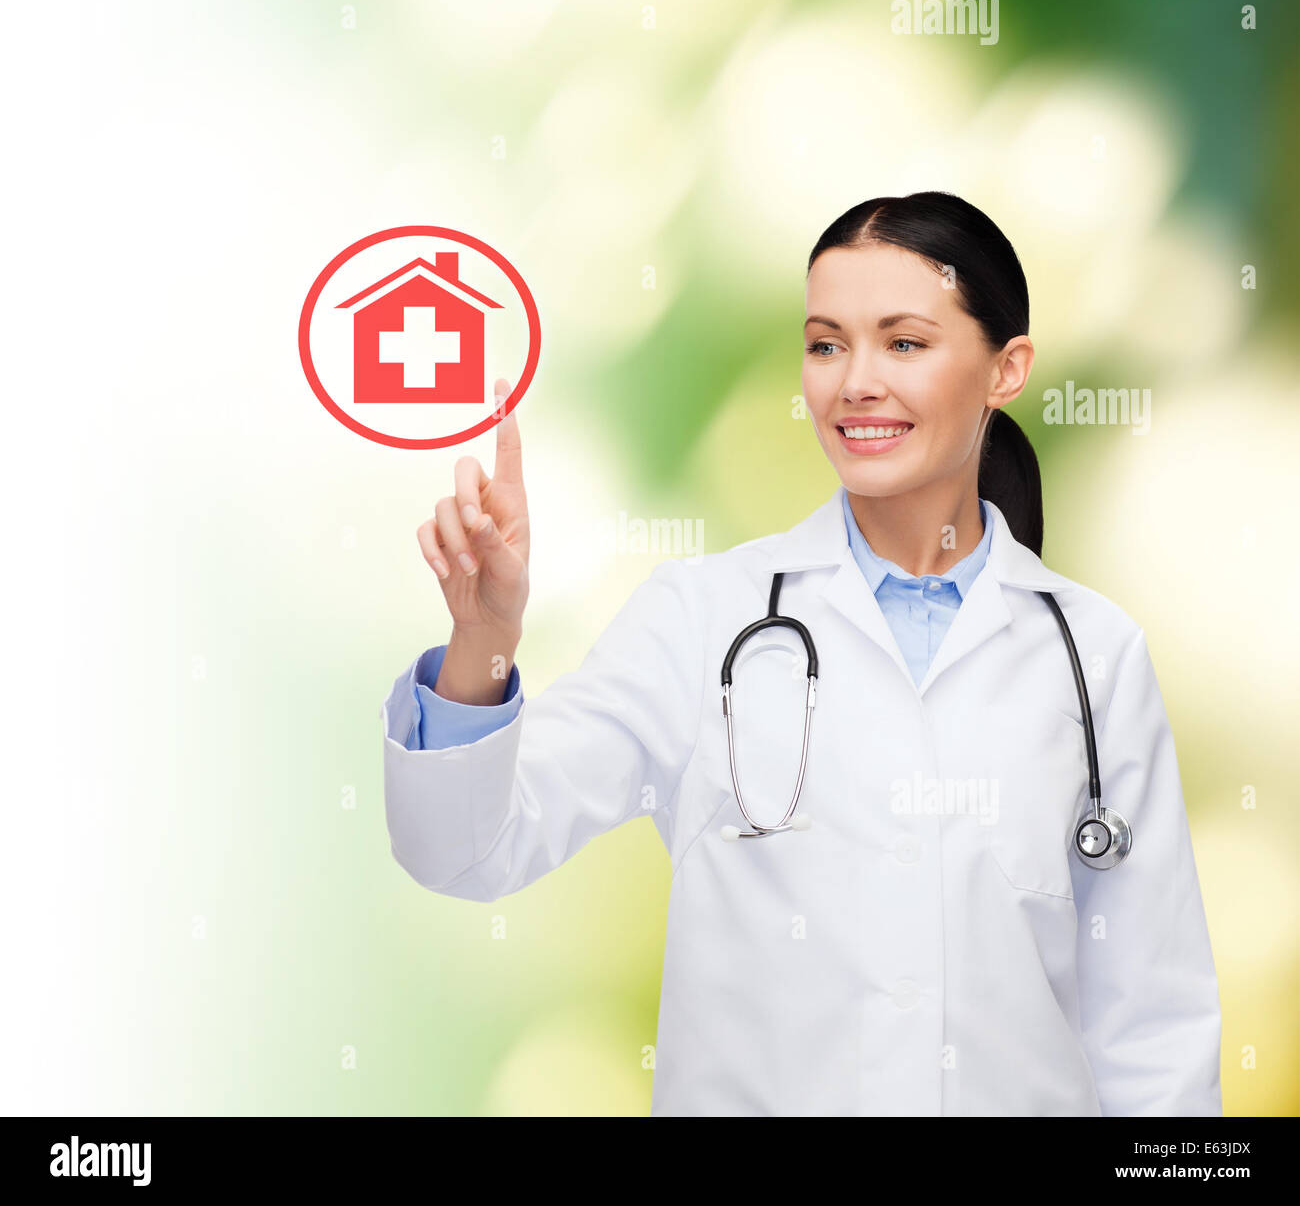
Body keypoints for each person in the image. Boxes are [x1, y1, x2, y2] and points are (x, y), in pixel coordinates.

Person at [381, 191, 1222, 1117]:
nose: (855, 381)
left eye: (904, 342)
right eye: (827, 345)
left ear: (1006, 369)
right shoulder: (701, 619)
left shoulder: (1092, 654)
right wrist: (485, 642)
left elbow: (1153, 1024)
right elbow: (466, 852)